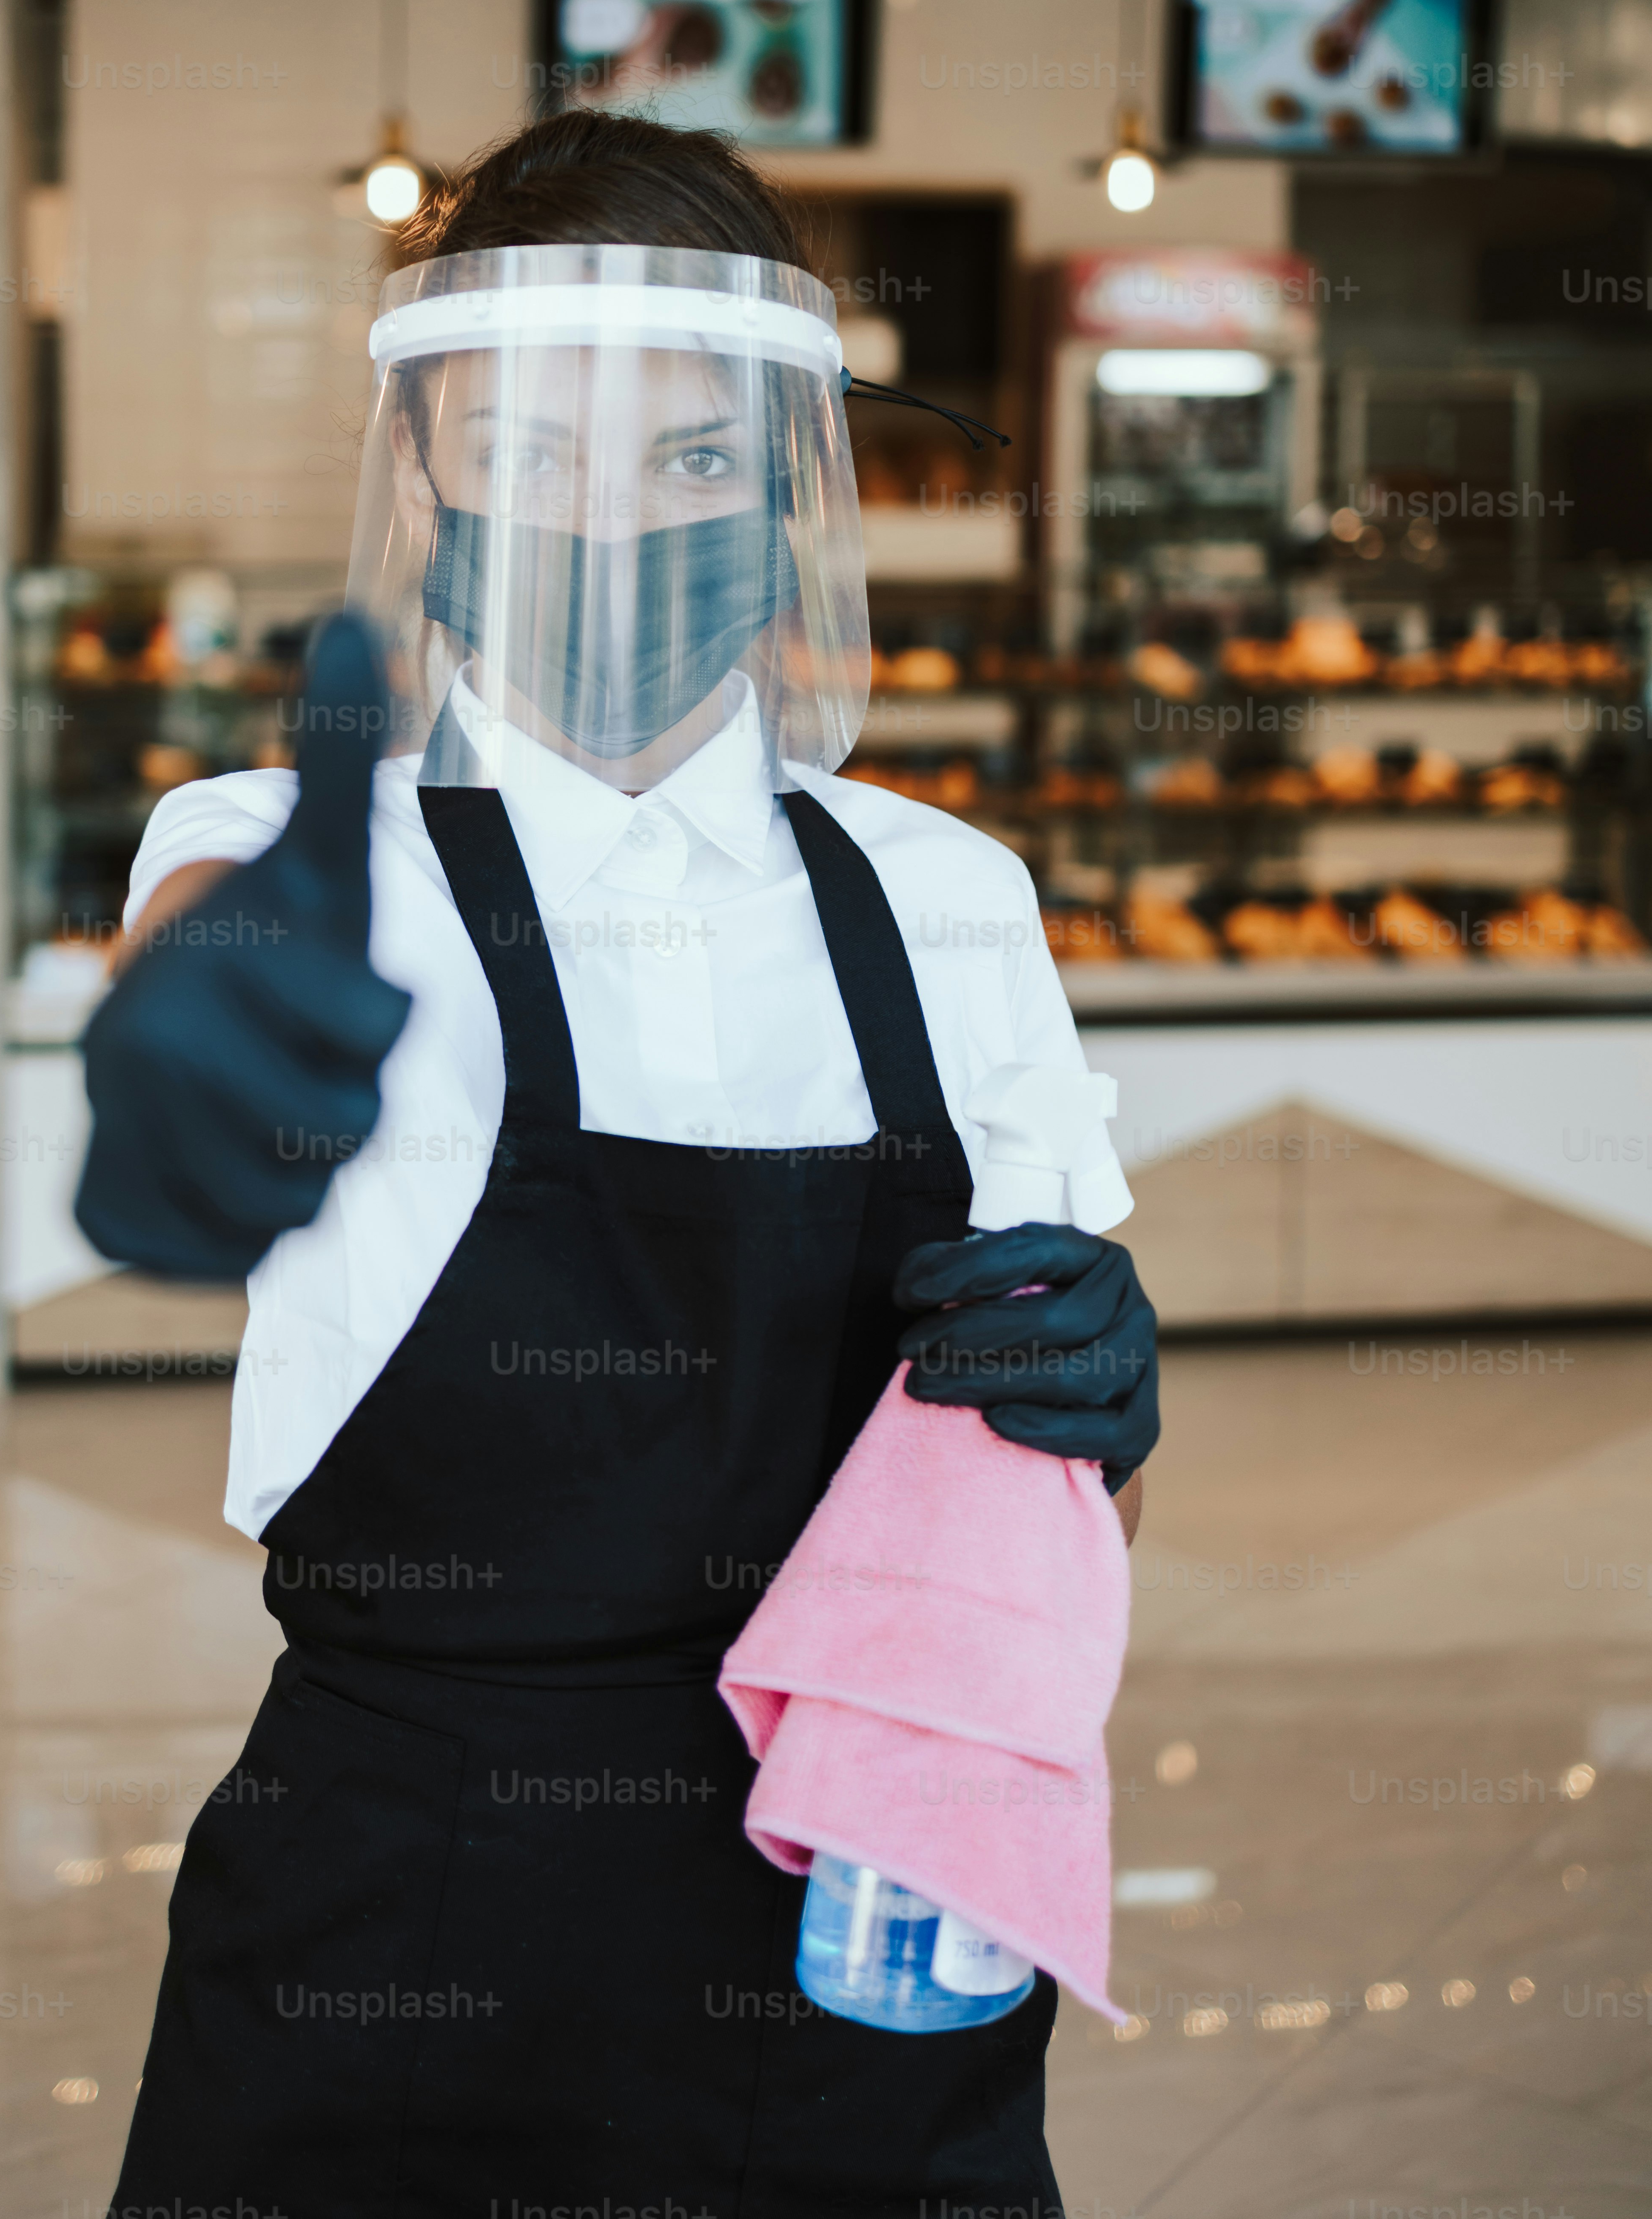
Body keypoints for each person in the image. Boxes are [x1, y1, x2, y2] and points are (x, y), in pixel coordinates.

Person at [78, 110, 1157, 2219]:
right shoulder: (267, 861)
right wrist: (186, 1102)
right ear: (419, 470)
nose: (609, 517)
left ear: (782, 481)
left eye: (686, 455)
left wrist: (1102, 1396)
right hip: (401, 1910)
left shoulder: (944, 891)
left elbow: (1048, 1469)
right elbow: (179, 1109)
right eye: (531, 448)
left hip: (869, 1898)